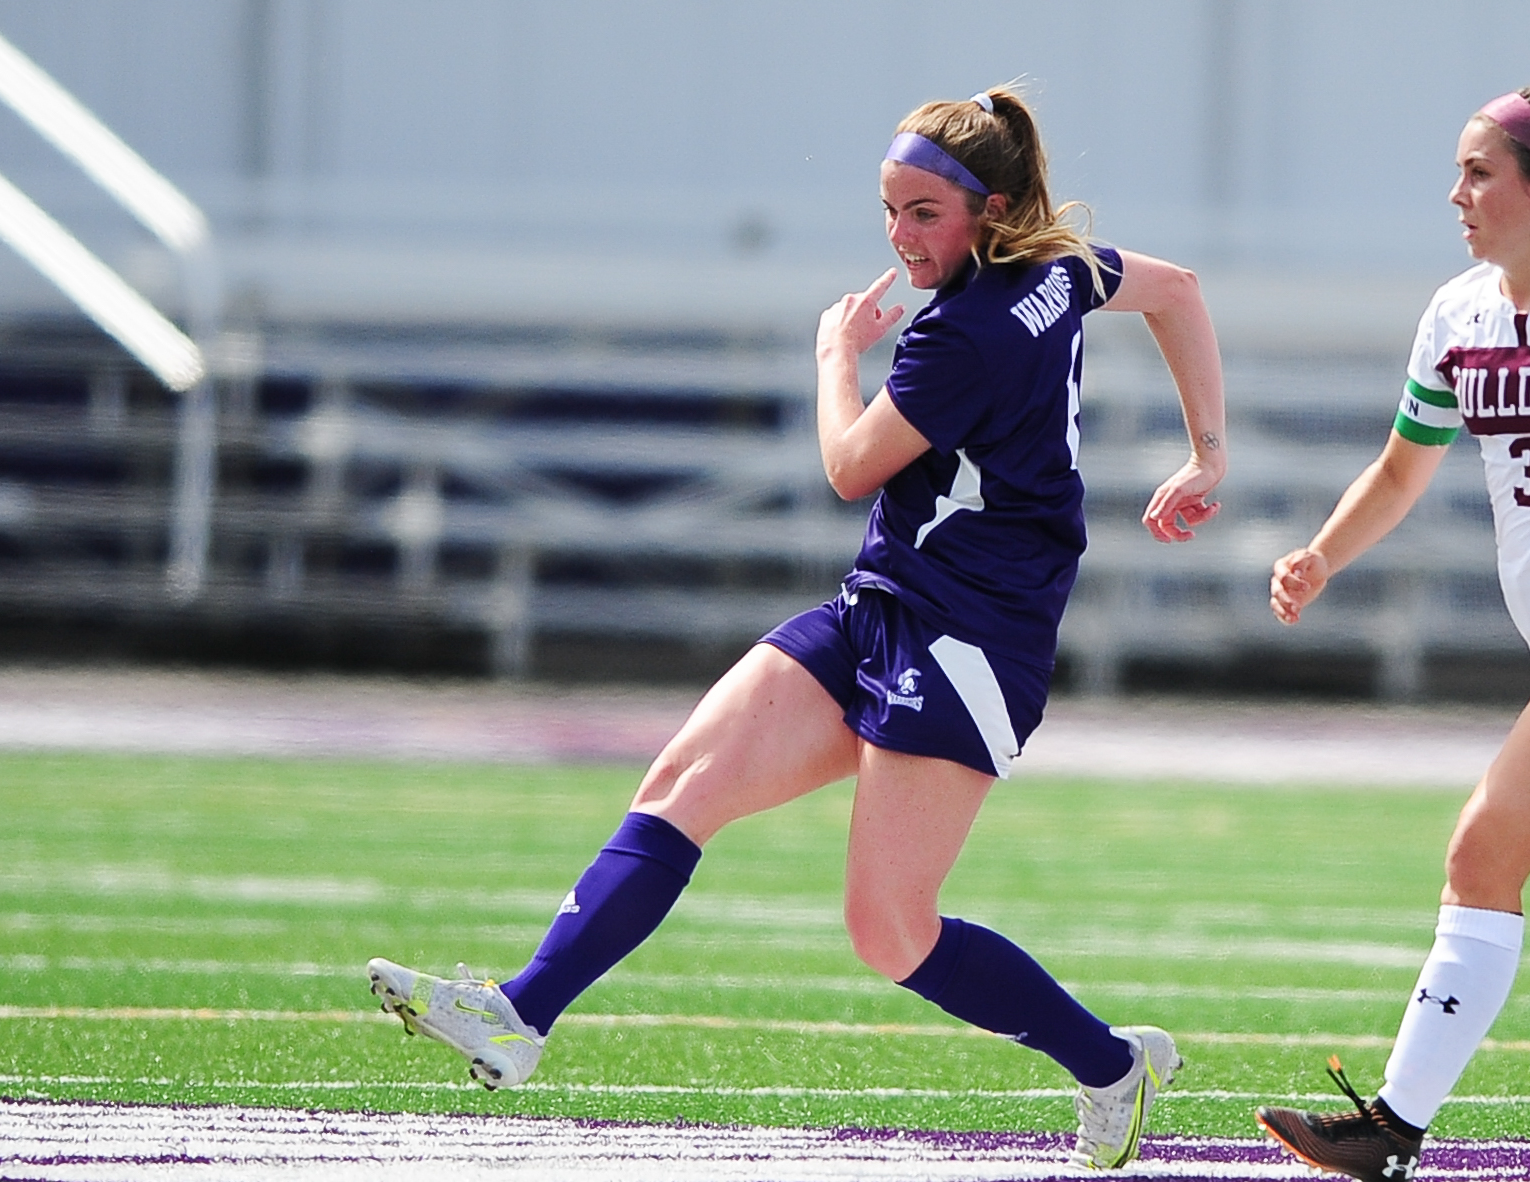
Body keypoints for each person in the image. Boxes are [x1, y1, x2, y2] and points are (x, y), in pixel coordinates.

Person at [368, 85, 1227, 1170]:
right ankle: (520, 1013)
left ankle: (1107, 1064)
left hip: (969, 643)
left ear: (993, 211)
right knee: (683, 782)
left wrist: (835, 352)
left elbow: (848, 465)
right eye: (890, 209)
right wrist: (1208, 452)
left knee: (891, 929)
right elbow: (1178, 289)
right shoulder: (1058, 268)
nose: (900, 235)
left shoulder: (964, 333)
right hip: (885, 600)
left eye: (925, 213)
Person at [1257, 87, 1530, 1182]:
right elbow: (1400, 469)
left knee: (1483, 850)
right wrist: (1323, 555)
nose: (1457, 193)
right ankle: (1391, 1131)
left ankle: (1391, 1130)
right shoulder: (1459, 316)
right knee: (1483, 855)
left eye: (1480, 172)